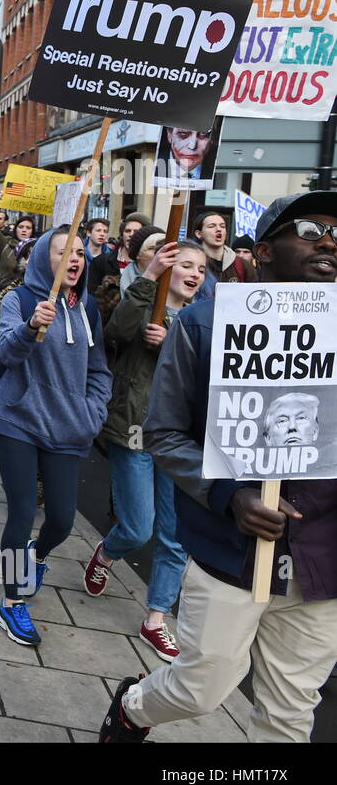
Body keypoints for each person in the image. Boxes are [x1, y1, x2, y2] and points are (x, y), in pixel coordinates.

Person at [102, 191, 337, 742]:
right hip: (231, 550)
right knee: (201, 687)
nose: (328, 241)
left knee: (290, 710)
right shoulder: (205, 325)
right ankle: (133, 707)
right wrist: (230, 492)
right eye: (308, 228)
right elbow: (164, 433)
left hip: (322, 559)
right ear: (262, 252)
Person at [0, 225, 111, 647]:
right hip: (17, 420)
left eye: (79, 252)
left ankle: (37, 558)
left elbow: (99, 370)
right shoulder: (21, 300)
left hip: (68, 426)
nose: (74, 260)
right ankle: (11, 602)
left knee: (61, 518)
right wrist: (29, 328)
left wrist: (92, 411)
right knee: (22, 512)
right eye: (63, 252)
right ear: (44, 258)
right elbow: (3, 351)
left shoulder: (88, 307)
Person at [85, 239, 207, 662]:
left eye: (201, 270)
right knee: (138, 528)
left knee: (174, 538)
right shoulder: (145, 302)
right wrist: (150, 275)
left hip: (181, 442)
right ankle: (107, 551)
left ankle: (155, 619)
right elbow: (114, 332)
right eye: (185, 265)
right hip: (135, 429)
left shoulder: (204, 320)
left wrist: (172, 341)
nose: (194, 274)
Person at [193, 210, 254, 287]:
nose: (219, 229)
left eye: (222, 226)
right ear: (199, 234)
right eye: (211, 226)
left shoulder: (242, 265)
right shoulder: (191, 262)